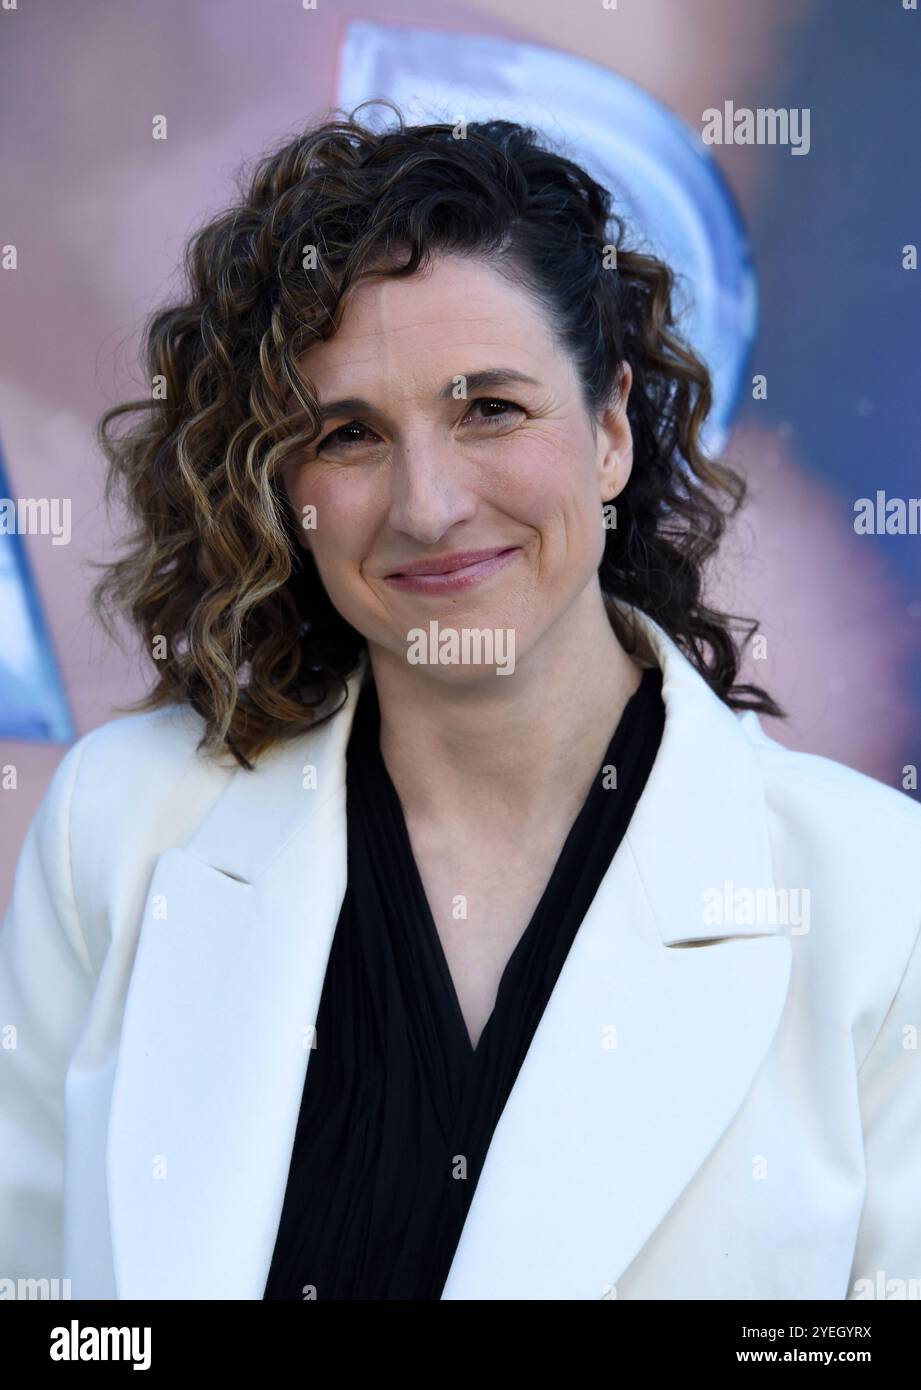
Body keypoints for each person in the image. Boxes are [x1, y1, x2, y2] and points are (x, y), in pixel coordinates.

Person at [1, 103, 919, 1302]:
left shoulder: (878, 892)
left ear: (606, 432)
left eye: (489, 407)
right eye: (350, 434)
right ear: (285, 488)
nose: (428, 505)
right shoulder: (119, 831)